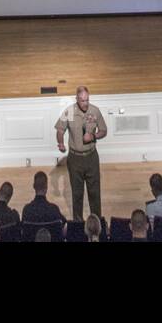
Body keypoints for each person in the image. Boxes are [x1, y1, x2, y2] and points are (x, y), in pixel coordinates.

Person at [55, 85, 107, 221]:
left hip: (91, 157)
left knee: (94, 193)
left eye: (87, 100)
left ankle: (96, 224)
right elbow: (60, 129)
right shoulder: (70, 111)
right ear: (77, 99)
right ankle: (78, 224)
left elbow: (103, 130)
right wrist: (60, 143)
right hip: (75, 159)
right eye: (82, 100)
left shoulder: (95, 111)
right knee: (77, 194)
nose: (85, 103)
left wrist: (94, 136)